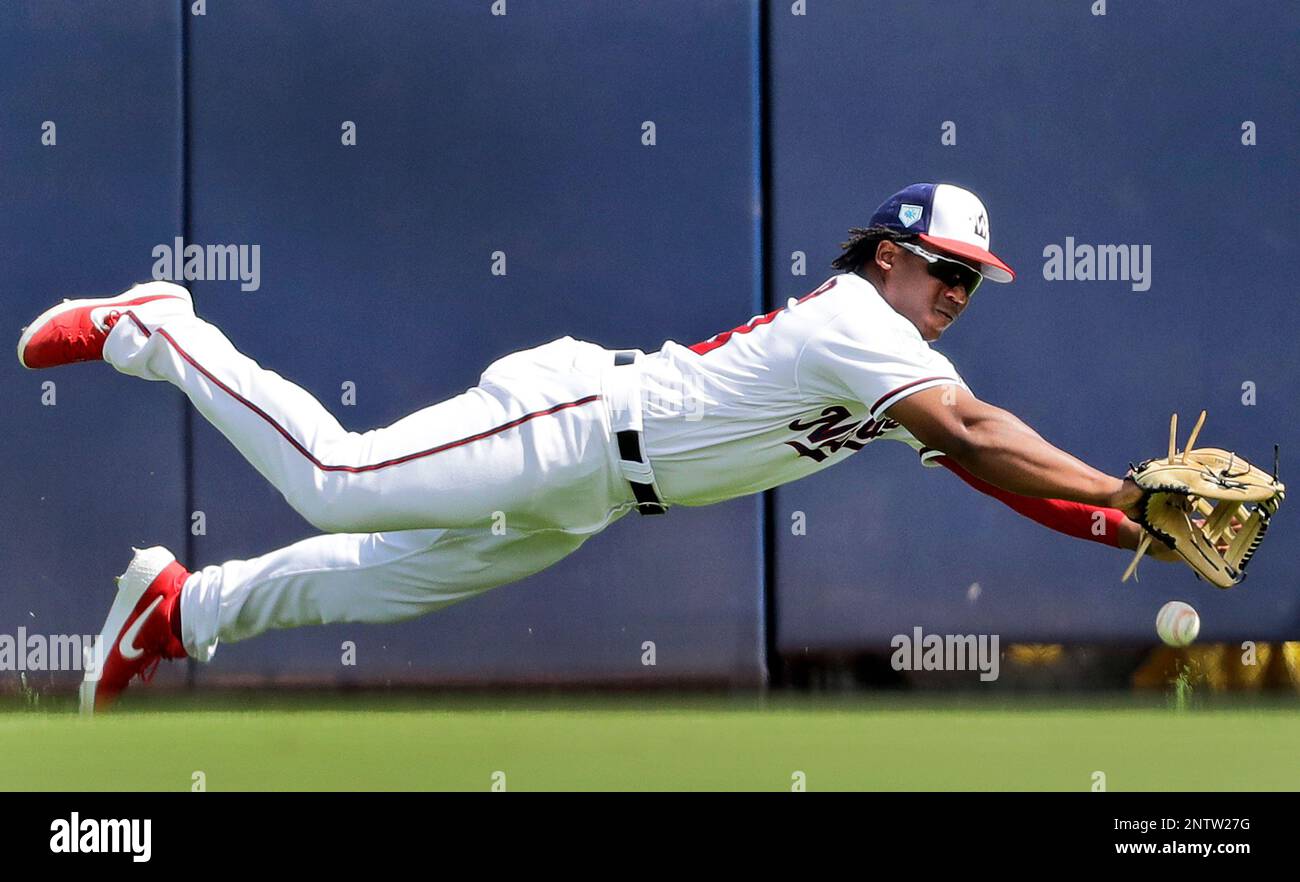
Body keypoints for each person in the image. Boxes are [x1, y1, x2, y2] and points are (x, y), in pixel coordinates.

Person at [17, 182, 1163, 713]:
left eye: (973, 280)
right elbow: (975, 431)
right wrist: (1119, 487)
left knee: (372, 585)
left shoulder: (899, 364)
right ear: (887, 259)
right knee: (336, 483)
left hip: (596, 496)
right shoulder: (858, 322)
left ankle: (177, 612)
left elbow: (978, 460)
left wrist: (1120, 523)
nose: (960, 292)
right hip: (574, 420)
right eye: (946, 270)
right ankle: (160, 329)